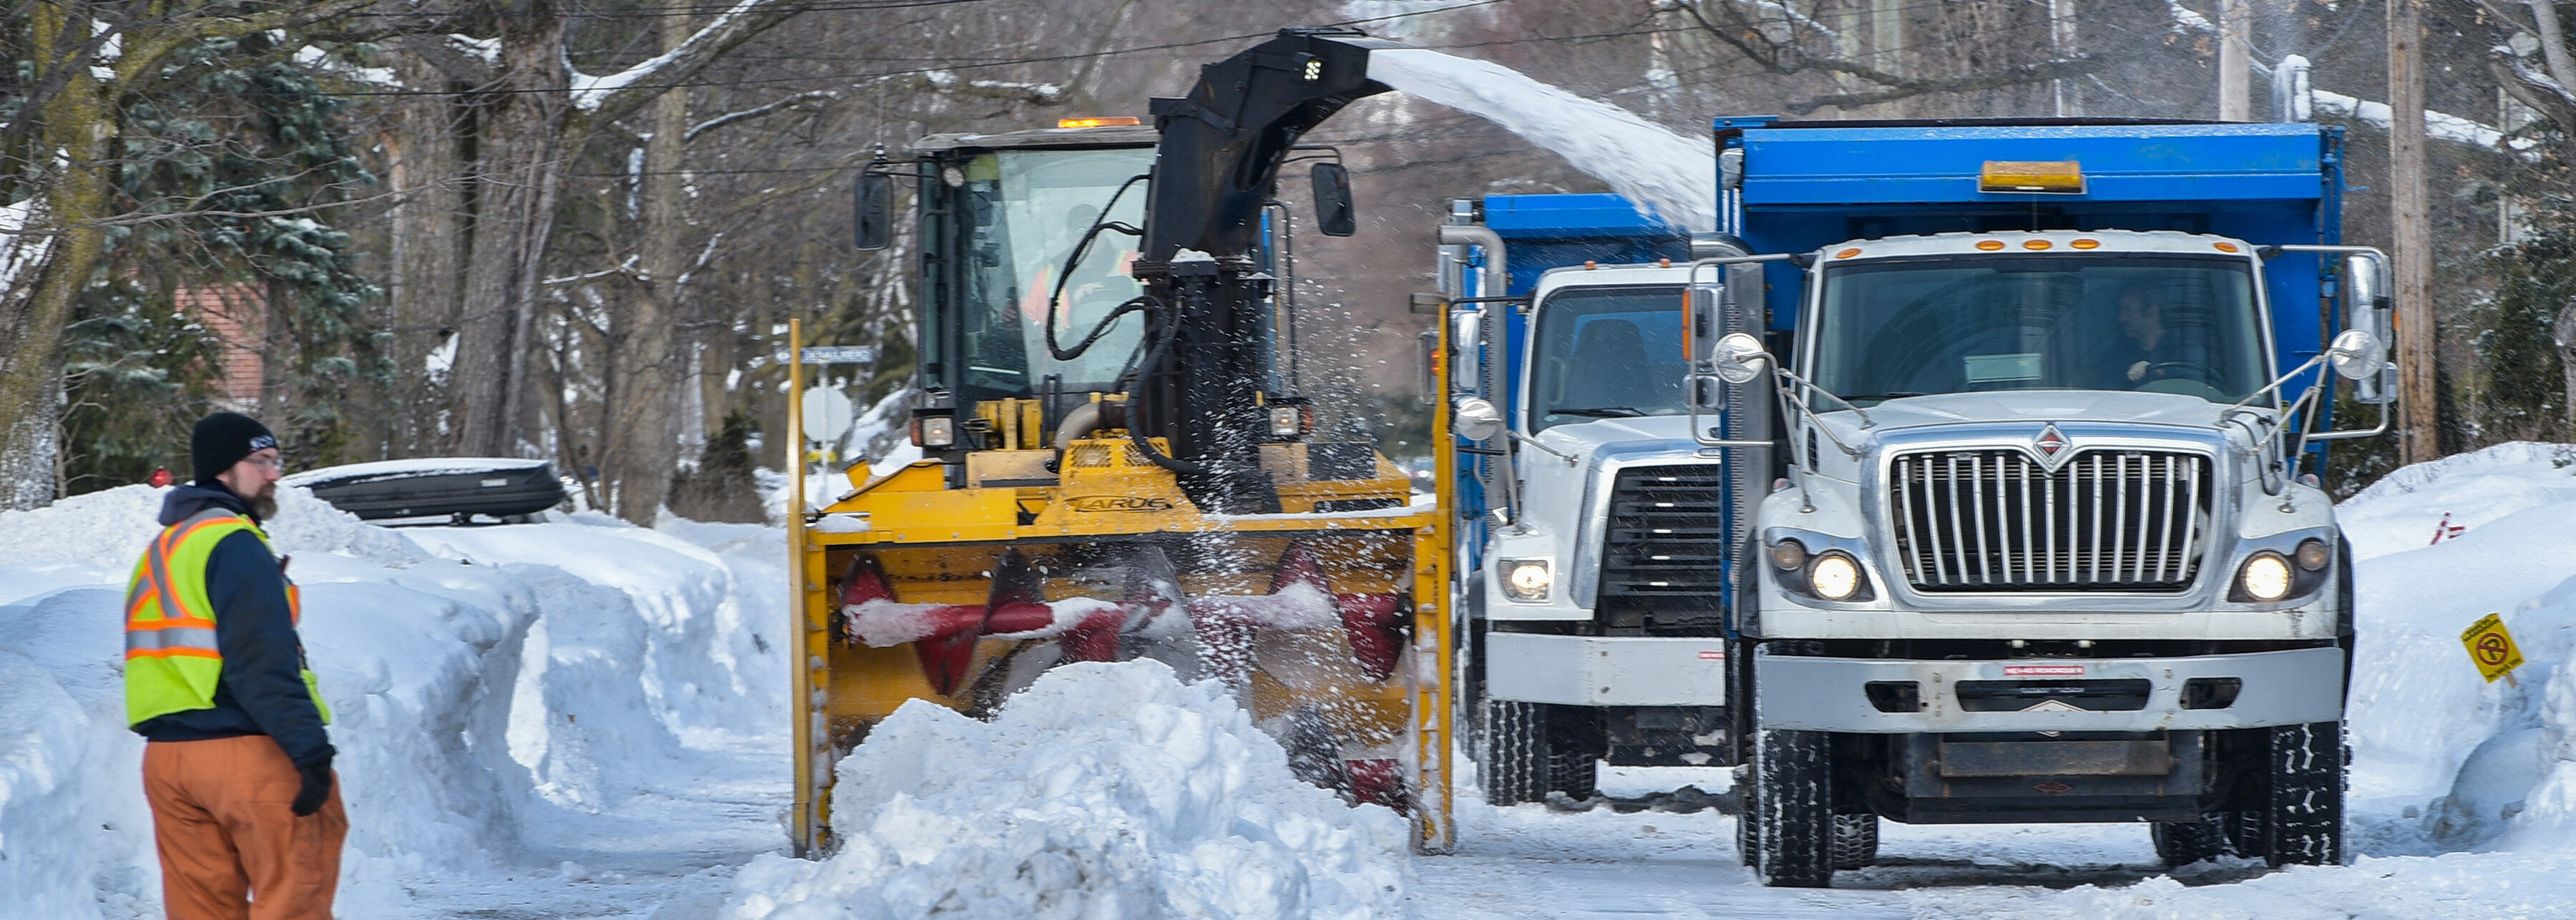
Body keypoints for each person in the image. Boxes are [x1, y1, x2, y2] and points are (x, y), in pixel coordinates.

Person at [126, 412, 343, 920]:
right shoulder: (234, 543)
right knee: (295, 895)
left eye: (275, 461)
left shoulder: (164, 548)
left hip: (170, 763)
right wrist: (310, 751)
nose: (274, 474)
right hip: (248, 755)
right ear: (224, 469)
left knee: (201, 910)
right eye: (261, 461)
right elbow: (260, 659)